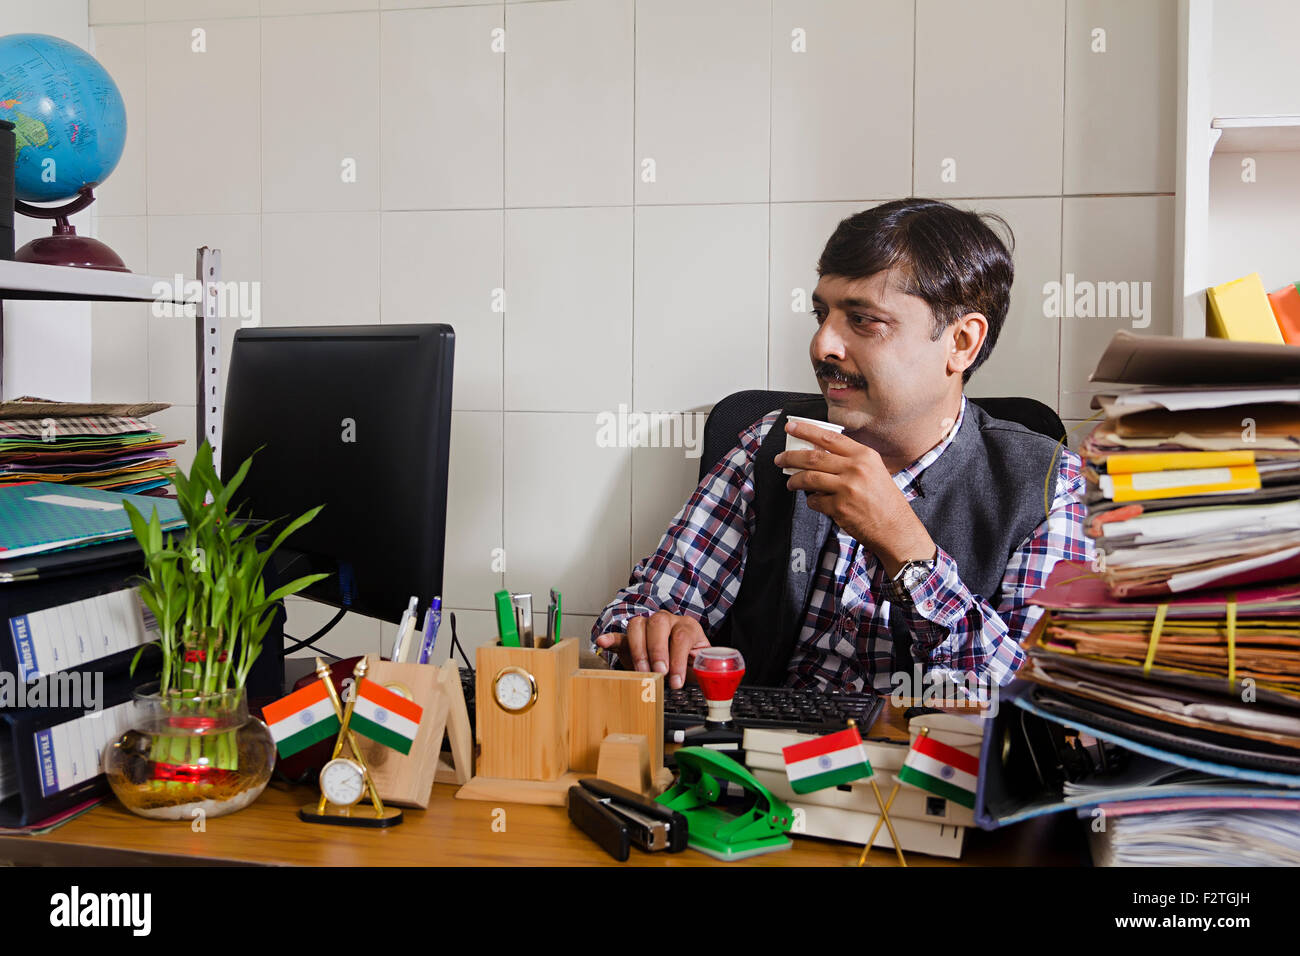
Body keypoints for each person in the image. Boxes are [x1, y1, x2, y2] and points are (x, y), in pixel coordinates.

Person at [591, 197, 1093, 696]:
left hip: (917, 770)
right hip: (749, 760)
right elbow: (635, 612)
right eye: (821, 314)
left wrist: (907, 549)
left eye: (863, 319)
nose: (822, 345)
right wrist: (656, 633)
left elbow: (1039, 702)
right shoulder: (770, 445)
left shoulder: (1051, 486)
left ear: (961, 343)